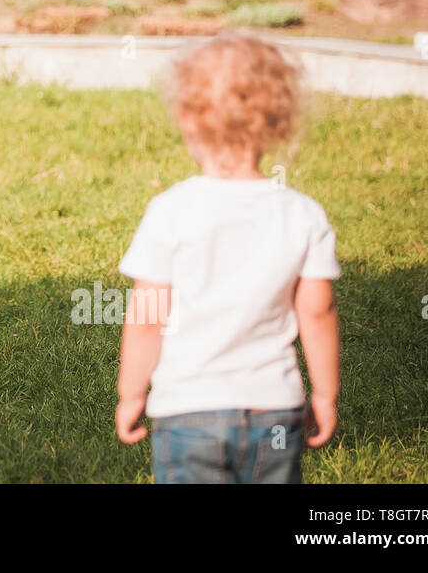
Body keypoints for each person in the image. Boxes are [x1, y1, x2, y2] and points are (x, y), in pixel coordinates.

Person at [114, 34, 340, 483]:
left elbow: (146, 315)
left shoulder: (170, 210)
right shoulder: (302, 214)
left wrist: (130, 393)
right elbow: (317, 310)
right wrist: (326, 393)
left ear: (186, 120)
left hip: (187, 413)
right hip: (275, 409)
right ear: (280, 122)